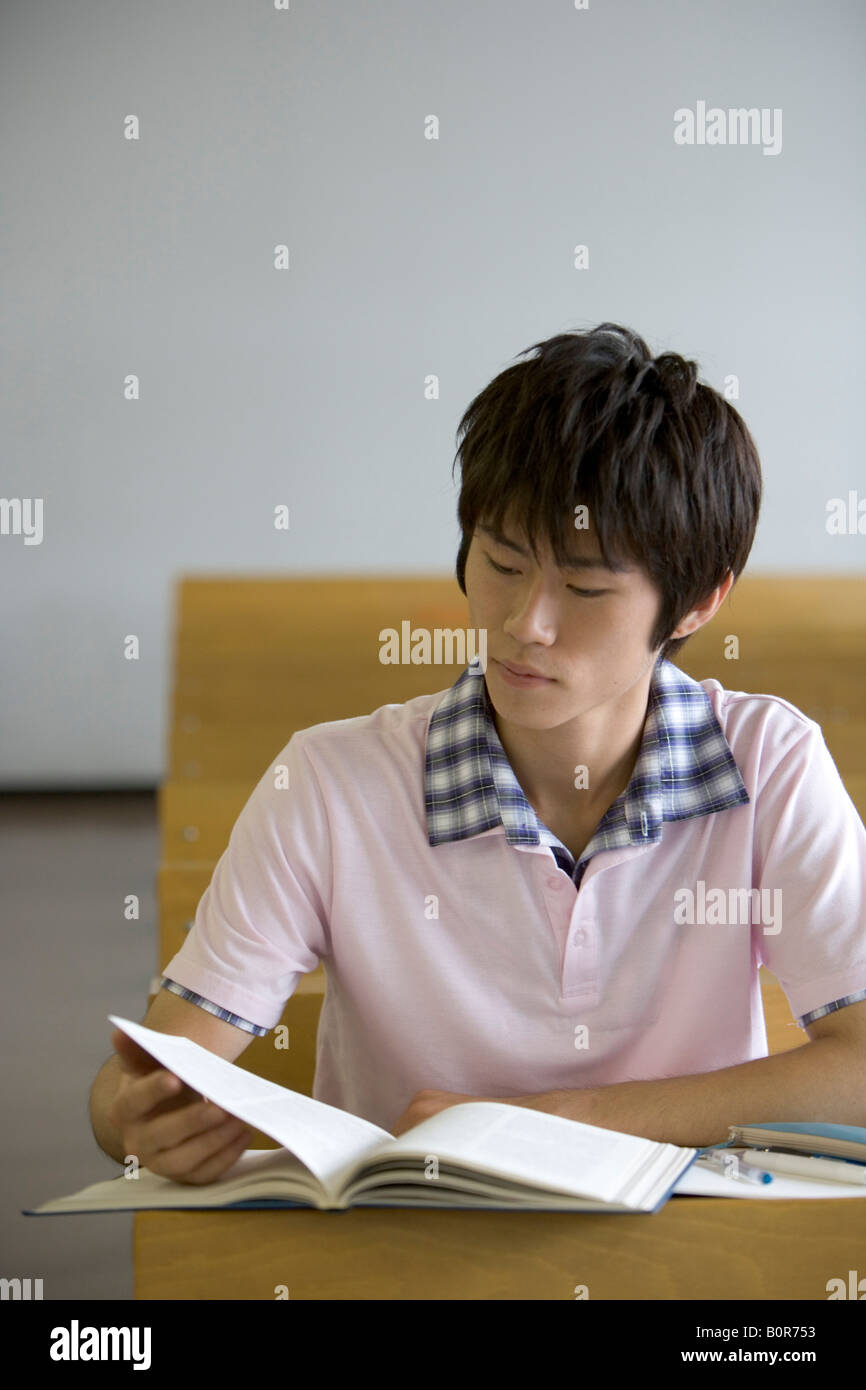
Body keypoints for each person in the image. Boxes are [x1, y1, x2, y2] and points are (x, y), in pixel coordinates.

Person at [89, 322, 866, 1184]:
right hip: (406, 1259)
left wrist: (538, 1127)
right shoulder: (329, 784)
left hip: (683, 1266)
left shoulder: (771, 764)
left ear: (697, 604)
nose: (524, 623)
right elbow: (152, 1078)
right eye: (501, 562)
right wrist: (129, 1119)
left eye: (585, 587)